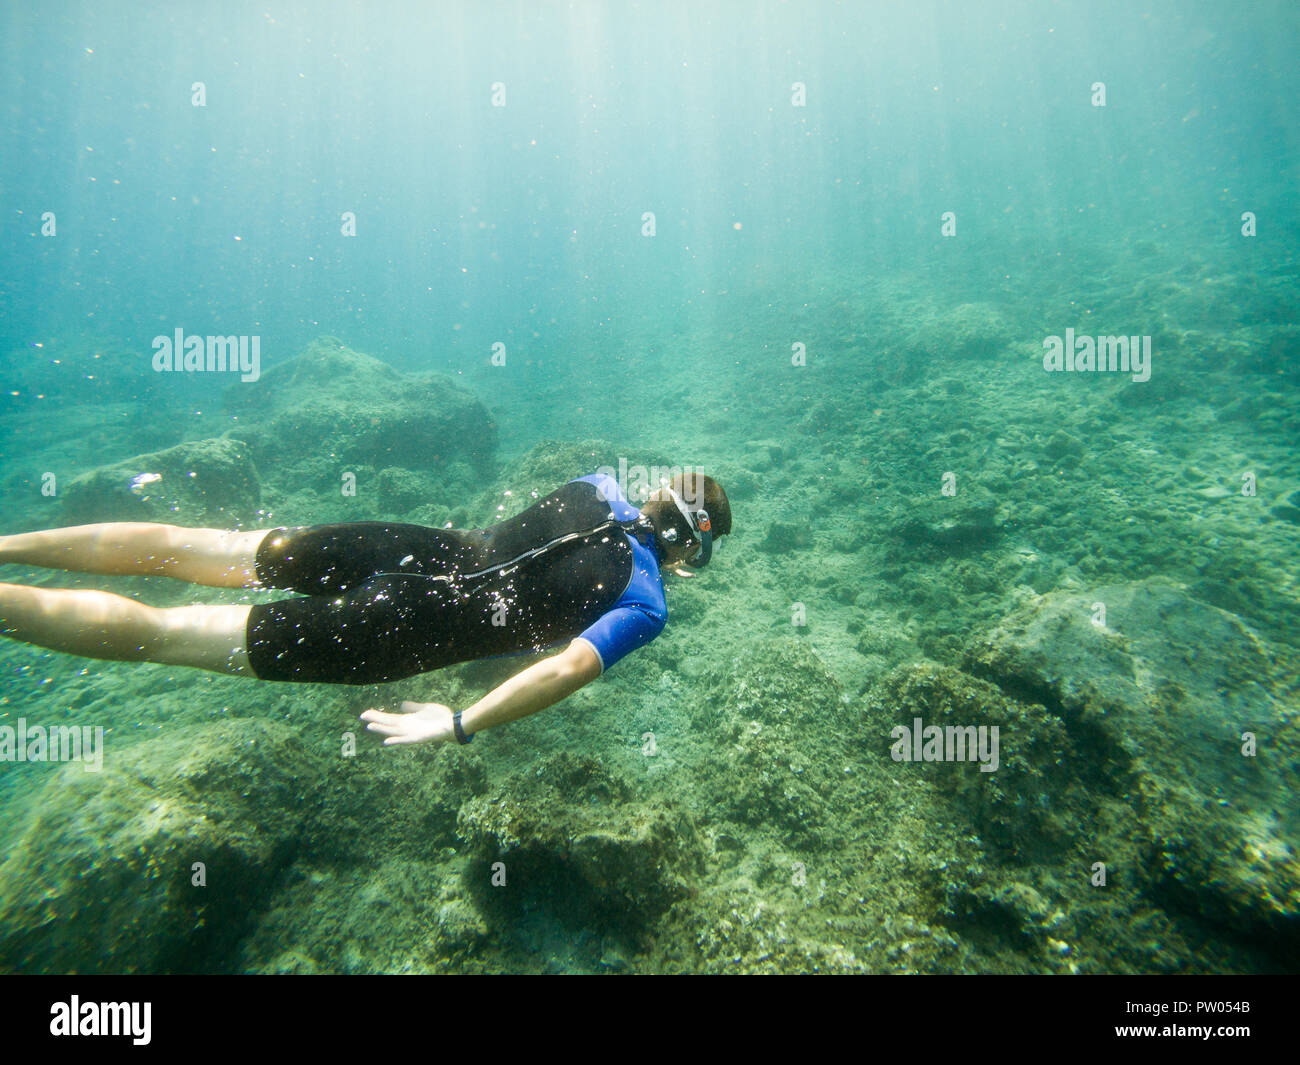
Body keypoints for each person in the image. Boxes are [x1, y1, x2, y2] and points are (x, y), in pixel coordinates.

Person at [0, 471, 731, 747]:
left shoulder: (600, 481)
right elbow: (570, 666)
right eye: (696, 558)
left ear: (662, 488)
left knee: (199, 544)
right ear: (689, 550)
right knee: (163, 633)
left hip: (401, 543)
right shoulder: (646, 600)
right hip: (398, 634)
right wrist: (458, 720)